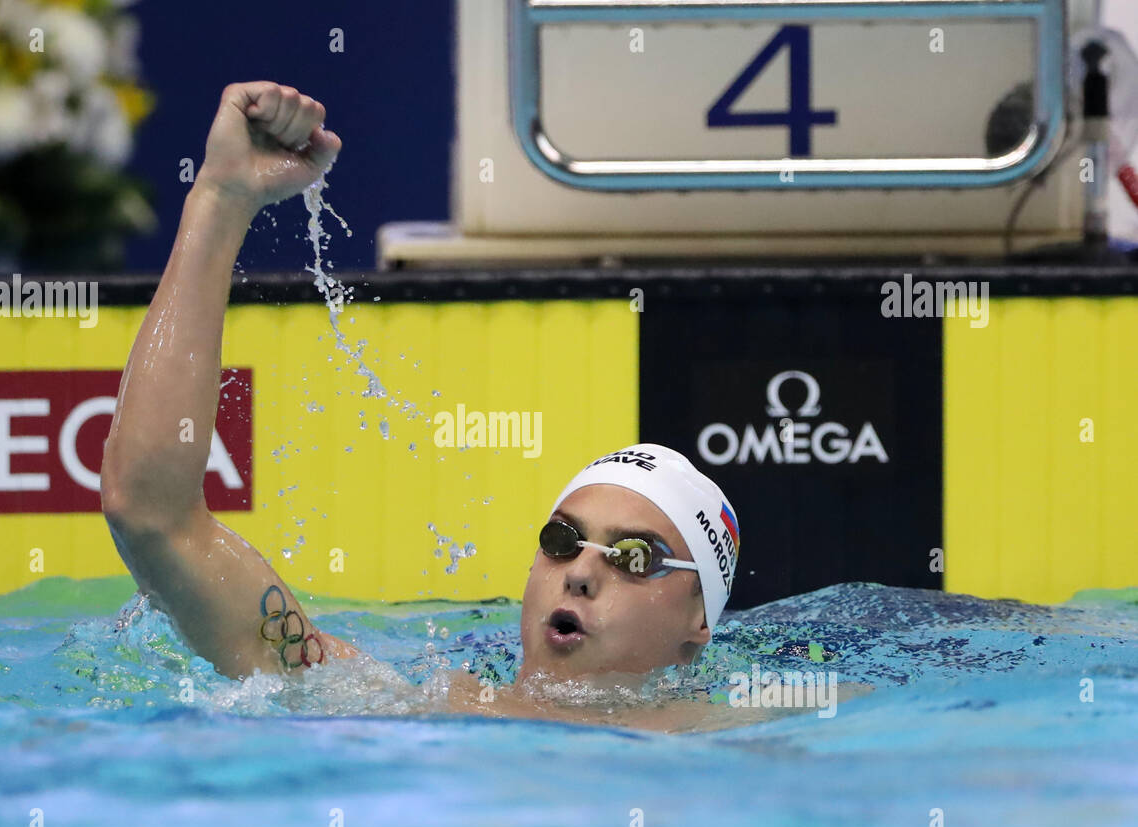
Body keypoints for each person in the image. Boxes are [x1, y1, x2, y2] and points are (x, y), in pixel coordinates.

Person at [100, 82, 843, 733]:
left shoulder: (755, 736)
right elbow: (153, 517)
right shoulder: (414, 707)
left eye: (634, 557)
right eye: (561, 540)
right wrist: (220, 201)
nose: (580, 572)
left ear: (698, 622)